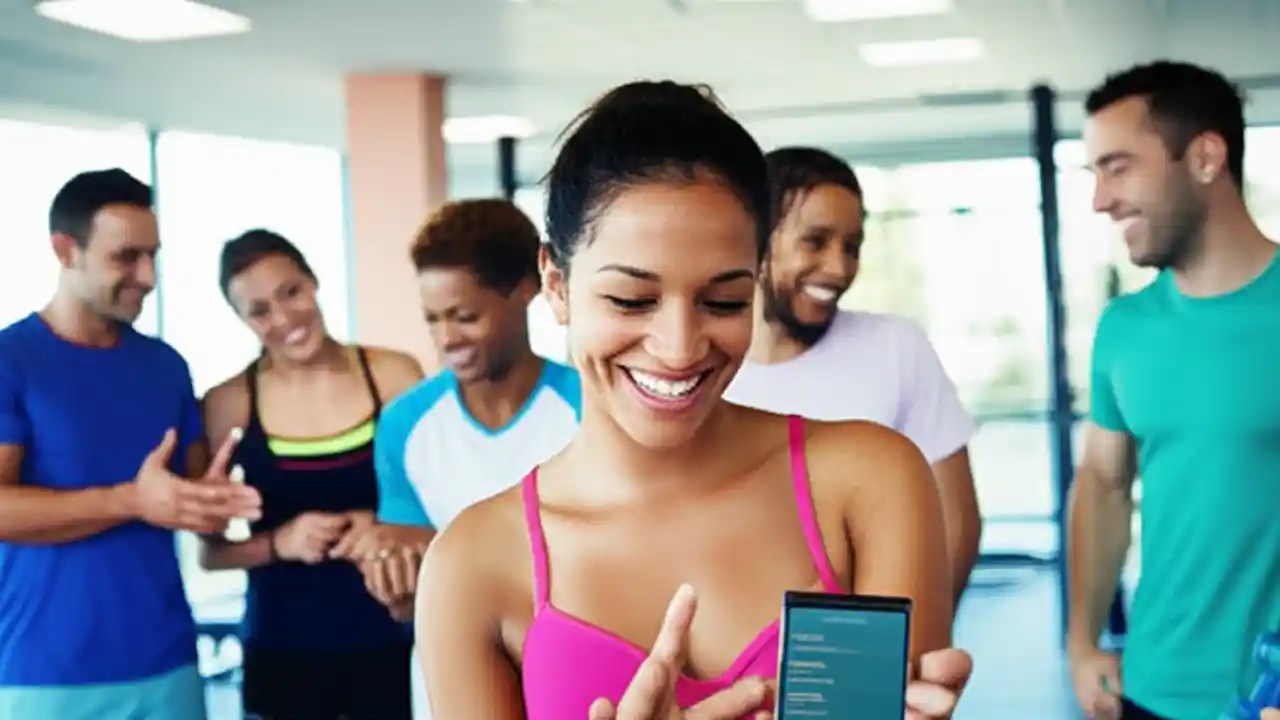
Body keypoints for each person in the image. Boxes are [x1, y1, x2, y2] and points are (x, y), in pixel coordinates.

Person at [416, 81, 973, 719]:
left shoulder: (869, 480)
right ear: (557, 283)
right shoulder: (472, 565)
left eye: (724, 301)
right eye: (631, 299)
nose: (680, 349)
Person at [0, 168, 261, 719]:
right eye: (126, 257)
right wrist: (130, 500)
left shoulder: (165, 367)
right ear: (65, 250)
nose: (147, 276)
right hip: (44, 676)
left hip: (167, 666)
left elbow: (192, 507)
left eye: (153, 256)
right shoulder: (12, 362)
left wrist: (209, 504)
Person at [1068, 60, 1280, 720]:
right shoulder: (1124, 329)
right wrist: (1081, 646)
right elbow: (1104, 483)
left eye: (1119, 166)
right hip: (1153, 689)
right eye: (1095, 174)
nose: (1101, 199)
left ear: (1206, 157)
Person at [338, 199, 581, 718]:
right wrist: (392, 576)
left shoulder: (587, 409)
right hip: (447, 692)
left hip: (573, 685)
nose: (447, 339)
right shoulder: (406, 425)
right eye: (433, 319)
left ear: (527, 289)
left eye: (465, 316)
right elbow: (409, 589)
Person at [724, 146, 981, 607]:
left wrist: (914, 643)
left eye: (852, 246)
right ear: (757, 241)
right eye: (816, 241)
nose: (839, 268)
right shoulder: (711, 367)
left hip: (870, 649)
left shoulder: (896, 348)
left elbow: (954, 520)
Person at [199, 229, 424, 719]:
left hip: (389, 637)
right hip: (283, 651)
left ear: (314, 281)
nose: (284, 318)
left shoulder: (393, 375)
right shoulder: (228, 404)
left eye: (291, 292)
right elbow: (210, 556)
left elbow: (444, 507)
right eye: (259, 310)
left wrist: (387, 526)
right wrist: (281, 542)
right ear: (242, 320)